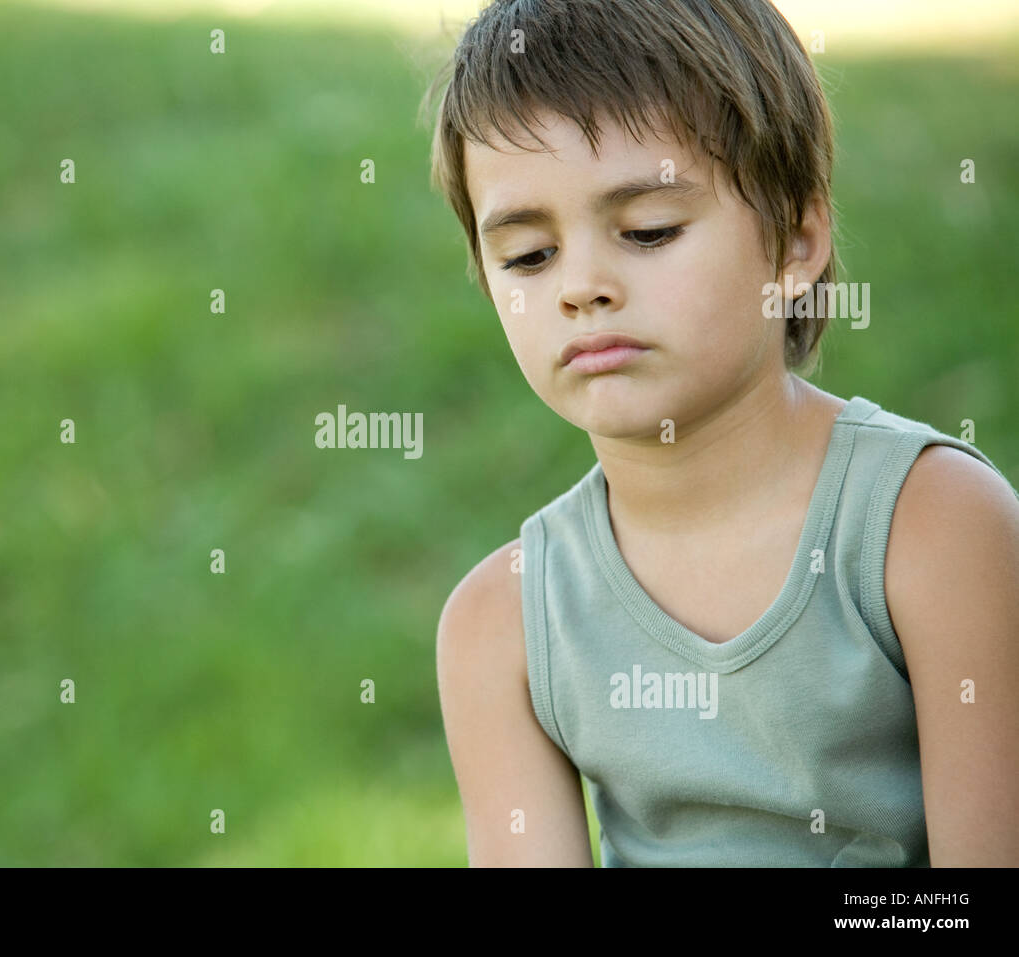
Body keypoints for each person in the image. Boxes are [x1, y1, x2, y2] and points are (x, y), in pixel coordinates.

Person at [426, 0, 1019, 866]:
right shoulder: (501, 623)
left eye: (648, 230)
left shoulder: (934, 527)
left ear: (797, 242)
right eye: (528, 255)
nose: (581, 285)